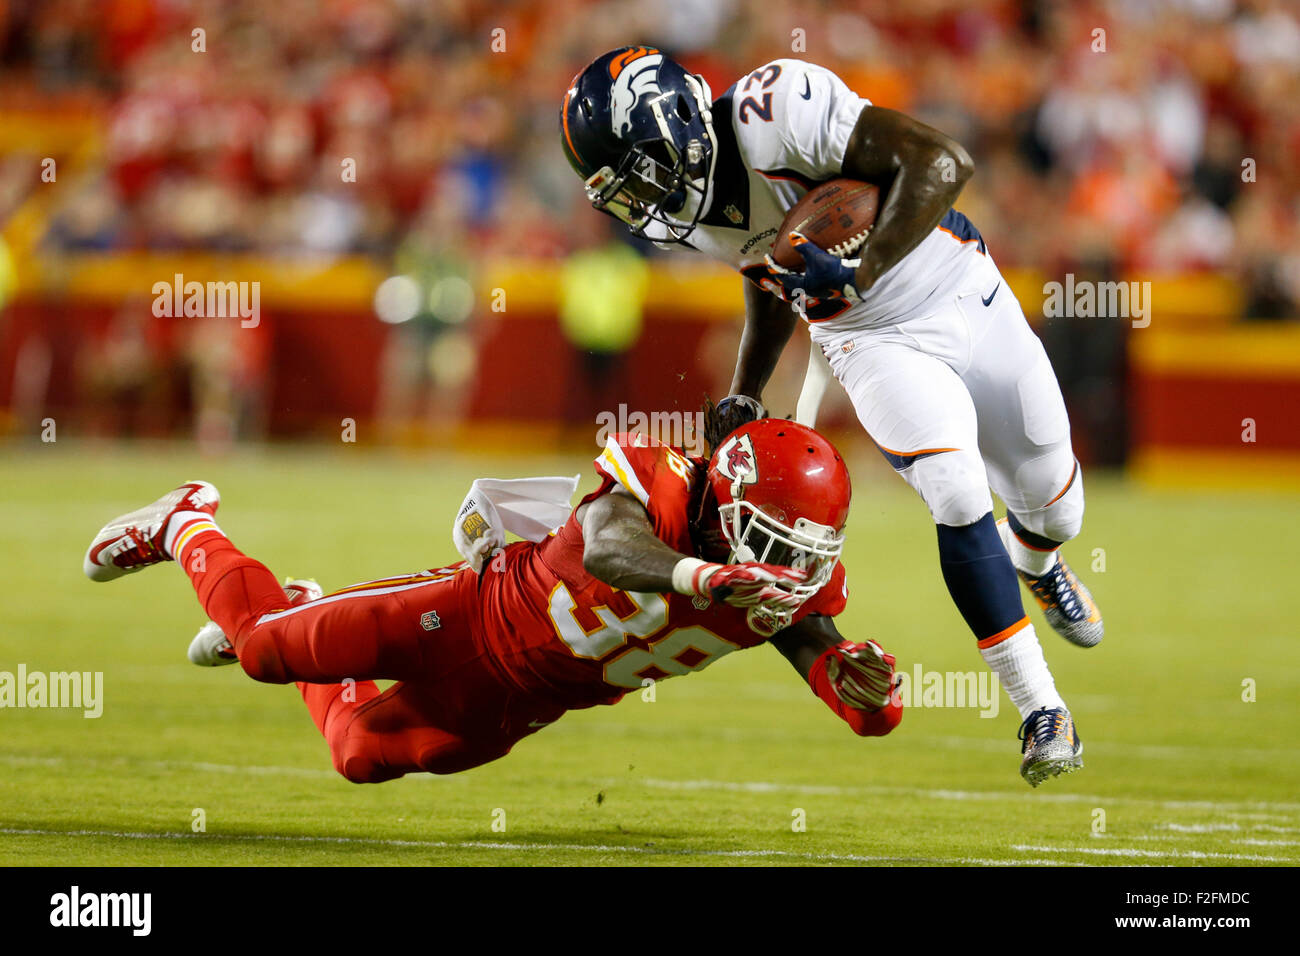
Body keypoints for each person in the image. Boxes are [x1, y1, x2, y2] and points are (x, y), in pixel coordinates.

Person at [560, 47, 1096, 785]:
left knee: (1057, 505)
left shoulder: (775, 110)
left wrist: (860, 267)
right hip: (863, 337)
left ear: (678, 117)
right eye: (622, 187)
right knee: (958, 490)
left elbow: (942, 163)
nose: (641, 196)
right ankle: (1041, 708)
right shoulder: (676, 219)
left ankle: (1035, 557)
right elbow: (768, 271)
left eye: (641, 167)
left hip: (955, 284)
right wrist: (747, 388)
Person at [82, 415, 902, 783]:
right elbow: (616, 551)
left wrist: (868, 693)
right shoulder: (665, 488)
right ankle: (184, 524)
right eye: (766, 537)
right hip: (467, 613)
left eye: (799, 547)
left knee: (360, 757)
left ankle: (300, 606)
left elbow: (852, 700)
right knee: (262, 649)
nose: (779, 562)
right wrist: (703, 577)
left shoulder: (788, 583)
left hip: (529, 699)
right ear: (724, 504)